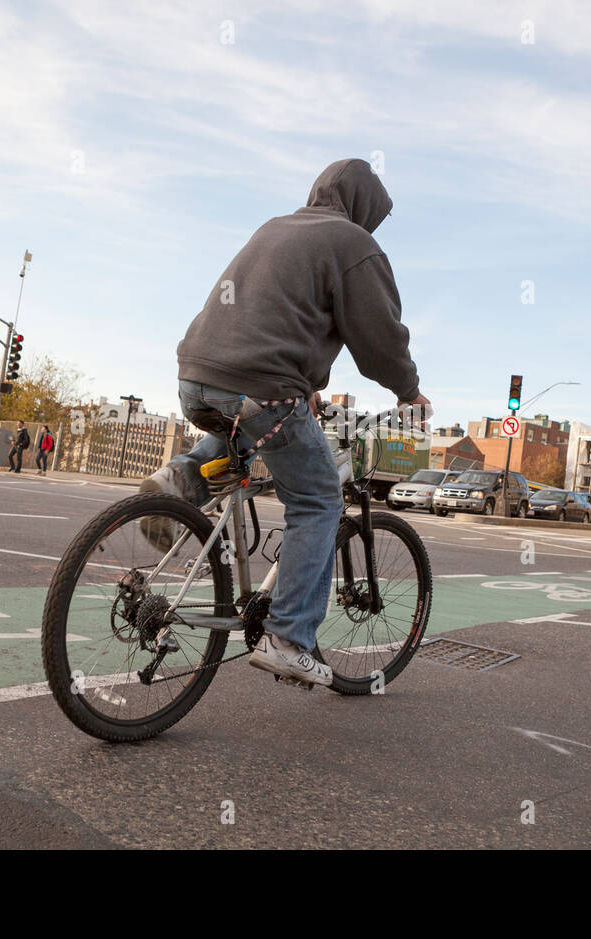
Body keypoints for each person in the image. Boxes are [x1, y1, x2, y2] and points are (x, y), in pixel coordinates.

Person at [138, 158, 428, 688]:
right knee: (319, 499)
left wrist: (305, 385)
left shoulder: (275, 227)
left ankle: (180, 478)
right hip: (264, 386)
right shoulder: (354, 244)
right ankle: (289, 637)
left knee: (250, 435)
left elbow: (266, 316)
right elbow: (379, 338)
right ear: (365, 207)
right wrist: (410, 392)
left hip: (199, 377)